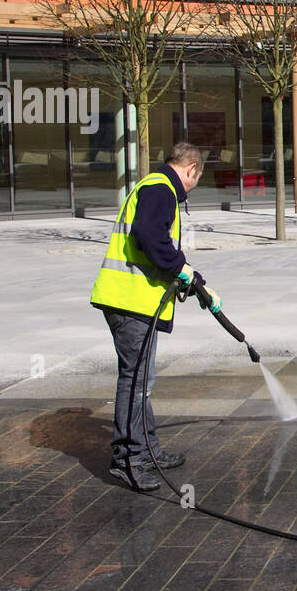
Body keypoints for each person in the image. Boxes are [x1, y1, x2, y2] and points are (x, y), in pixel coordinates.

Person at [90, 141, 221, 491]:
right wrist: (181, 268)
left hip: (134, 302)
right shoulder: (161, 189)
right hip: (129, 302)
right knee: (135, 384)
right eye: (196, 179)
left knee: (141, 383)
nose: (192, 187)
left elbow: (152, 244)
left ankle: (147, 450)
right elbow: (149, 236)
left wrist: (187, 278)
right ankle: (128, 462)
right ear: (191, 169)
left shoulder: (154, 186)